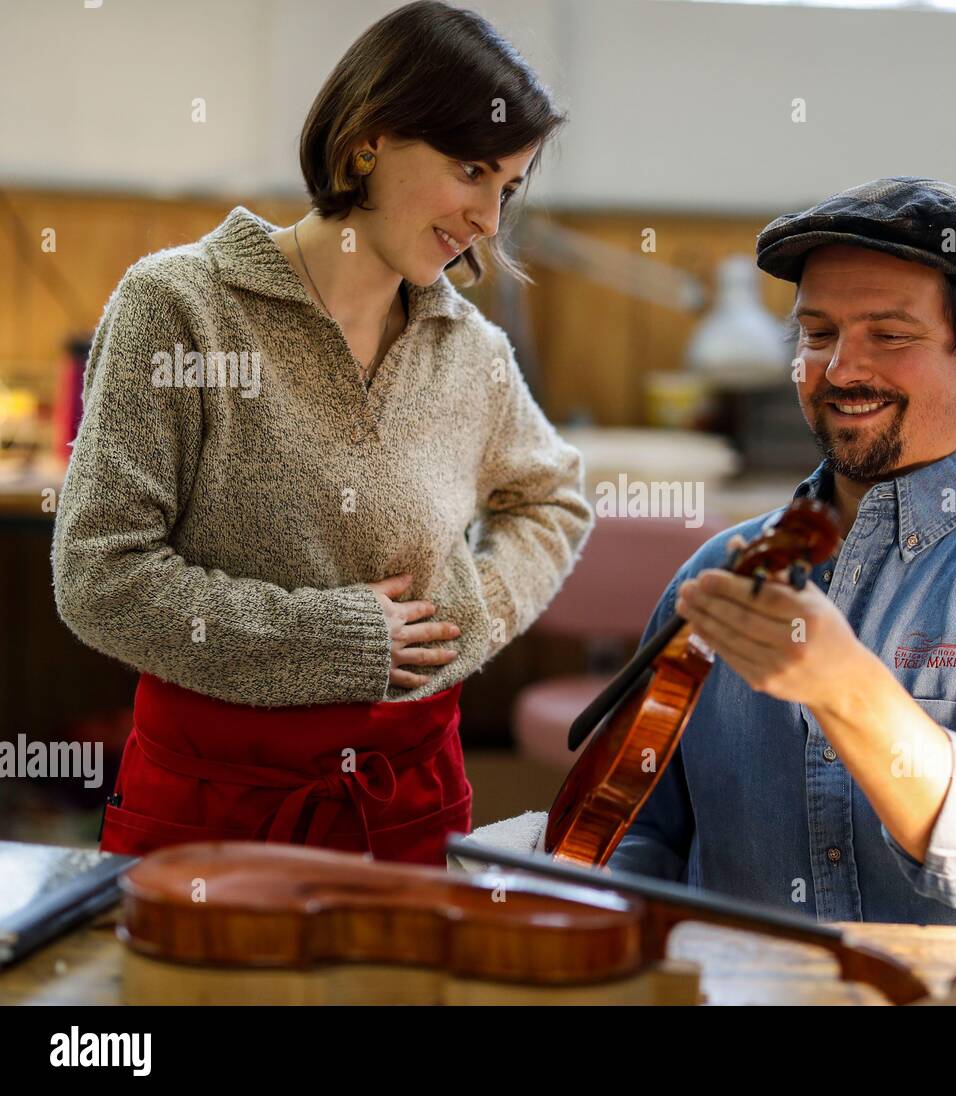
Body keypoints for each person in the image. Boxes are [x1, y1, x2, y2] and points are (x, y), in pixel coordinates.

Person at [51, 1, 593, 865]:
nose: (490, 219)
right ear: (368, 141)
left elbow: (553, 499)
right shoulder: (180, 306)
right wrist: (332, 641)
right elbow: (98, 576)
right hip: (213, 807)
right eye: (471, 171)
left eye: (510, 188)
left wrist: (473, 616)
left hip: (410, 804)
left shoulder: (471, 351)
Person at [607, 177, 956, 934]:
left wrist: (846, 689)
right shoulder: (719, 576)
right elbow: (638, 837)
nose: (840, 370)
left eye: (889, 336)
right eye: (818, 333)